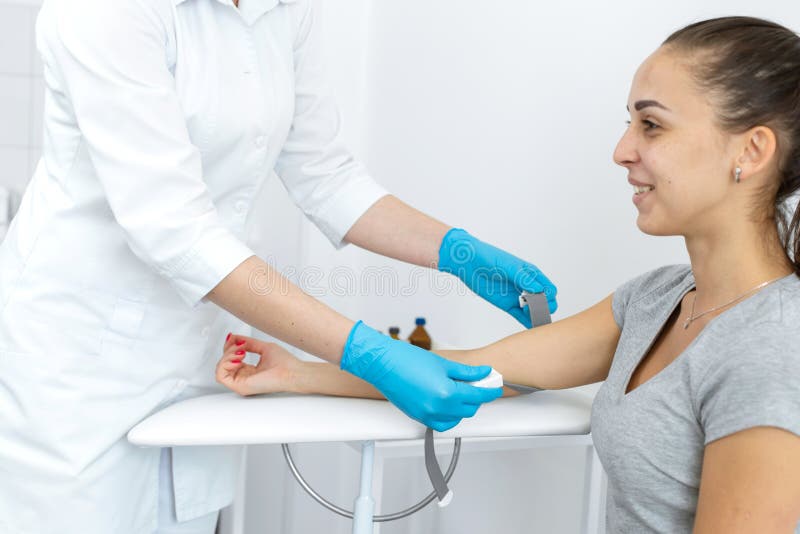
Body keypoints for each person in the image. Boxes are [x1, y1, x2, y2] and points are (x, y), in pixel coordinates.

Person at [216, 16, 800, 533]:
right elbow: (475, 373)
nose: (621, 150)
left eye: (651, 125)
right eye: (629, 123)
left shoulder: (772, 349)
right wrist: (299, 374)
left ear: (750, 151)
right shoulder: (657, 300)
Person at [0, 1, 558, 533]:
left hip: (195, 349)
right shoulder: (105, 8)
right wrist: (368, 353)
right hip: (77, 362)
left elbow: (324, 172)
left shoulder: (286, 6)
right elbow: (175, 229)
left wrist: (457, 253)